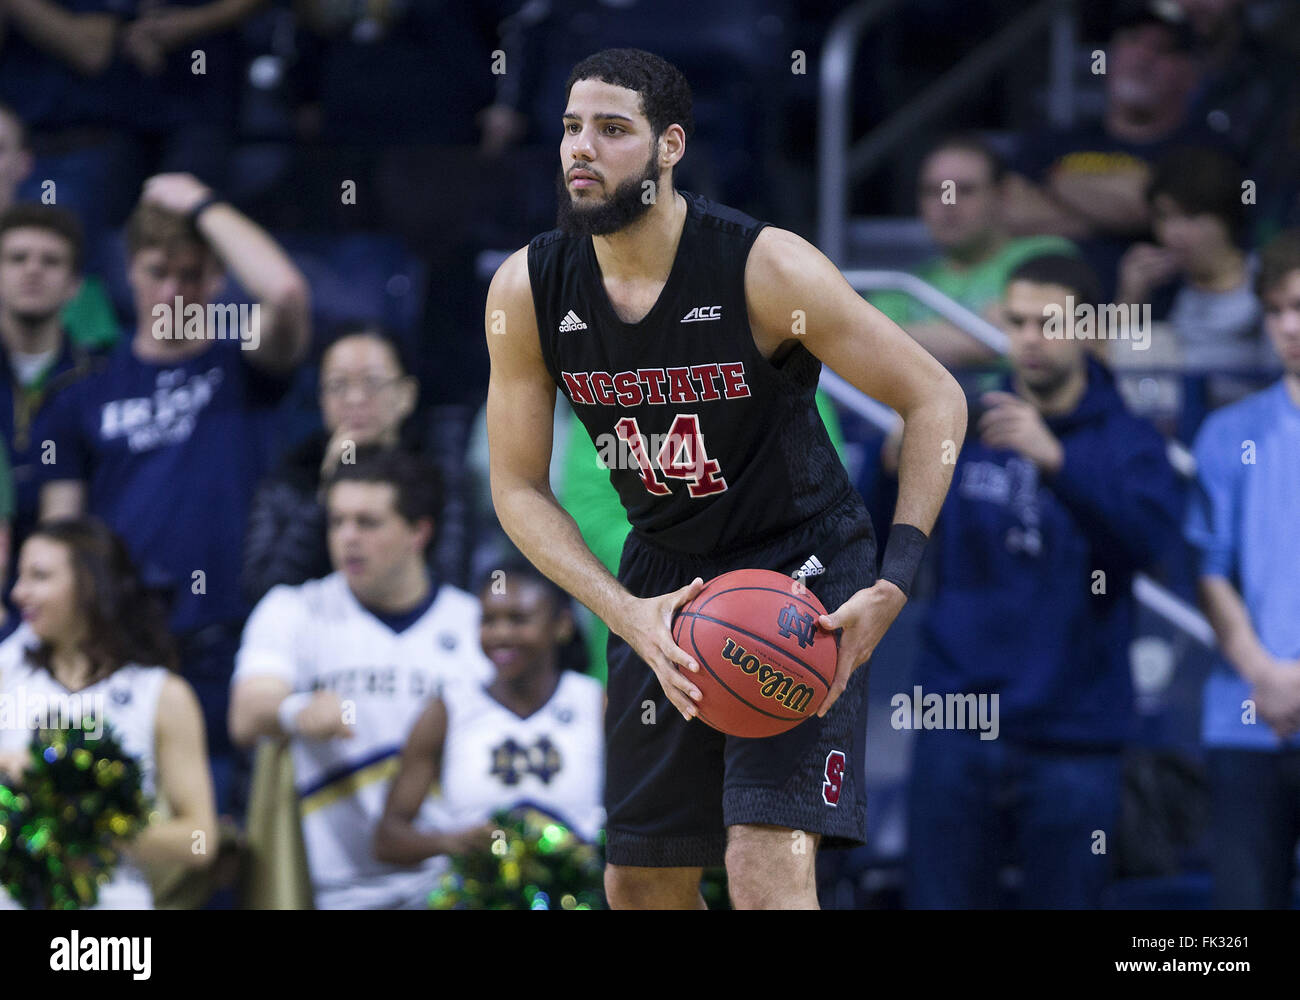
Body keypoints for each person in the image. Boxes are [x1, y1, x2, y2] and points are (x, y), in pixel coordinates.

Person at [484, 48, 967, 910]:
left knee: (764, 858)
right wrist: (624, 612)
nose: (579, 150)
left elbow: (934, 400)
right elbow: (517, 488)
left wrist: (896, 580)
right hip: (665, 575)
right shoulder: (528, 287)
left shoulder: (764, 267)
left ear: (670, 147)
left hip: (801, 570)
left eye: (610, 129)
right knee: (637, 879)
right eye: (568, 128)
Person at [899, 253, 1182, 908]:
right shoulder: (960, 423)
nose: (1028, 337)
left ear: (1088, 328)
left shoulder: (1130, 440)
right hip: (958, 720)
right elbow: (889, 541)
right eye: (1017, 321)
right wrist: (893, 467)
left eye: (1048, 322)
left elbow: (1152, 546)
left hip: (1074, 734)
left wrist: (1058, 462)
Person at [37, 173, 311, 816]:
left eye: (191, 274)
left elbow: (287, 291)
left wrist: (203, 204)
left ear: (216, 279)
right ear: (129, 270)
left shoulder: (238, 365)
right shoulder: (84, 391)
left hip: (225, 637)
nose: (172, 290)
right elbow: (61, 534)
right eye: (157, 271)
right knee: (112, 829)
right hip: (119, 642)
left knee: (213, 840)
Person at [229, 447, 494, 909]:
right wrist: (296, 710)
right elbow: (246, 715)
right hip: (331, 892)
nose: (347, 538)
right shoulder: (294, 609)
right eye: (337, 522)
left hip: (451, 886)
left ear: (419, 531)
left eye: (368, 523)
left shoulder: (474, 625)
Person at [0, 517, 217, 909]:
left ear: (89, 585)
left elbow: (200, 840)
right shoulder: (5, 673)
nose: (18, 593)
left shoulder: (160, 693)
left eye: (39, 577)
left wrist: (89, 819)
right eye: (20, 576)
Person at [1184, 229, 1300, 909]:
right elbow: (1210, 569)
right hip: (1244, 713)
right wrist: (1263, 673)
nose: (1291, 325)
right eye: (1279, 309)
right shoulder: (1229, 433)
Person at [374, 559, 604, 876]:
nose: (501, 634)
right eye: (488, 620)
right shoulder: (447, 709)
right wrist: (451, 843)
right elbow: (387, 838)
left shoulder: (595, 702)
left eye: (518, 619)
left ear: (562, 625)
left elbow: (641, 816)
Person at [1003, 0, 1218, 296]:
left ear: (1190, 73)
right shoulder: (1054, 139)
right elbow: (1010, 212)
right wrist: (1115, 219)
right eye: (1130, 42)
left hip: (1153, 325)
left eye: (1163, 49)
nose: (1142, 58)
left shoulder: (1202, 147)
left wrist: (1056, 179)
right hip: (1047, 320)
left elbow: (1149, 205)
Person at [242, 323, 419, 604]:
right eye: (338, 385)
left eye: (372, 382)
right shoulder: (291, 475)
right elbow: (266, 591)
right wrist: (327, 490)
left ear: (406, 395)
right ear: (321, 400)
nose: (355, 399)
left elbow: (447, 578)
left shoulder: (436, 469)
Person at [869, 133, 1077, 369]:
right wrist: (979, 334)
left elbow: (1018, 334)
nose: (947, 204)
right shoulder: (898, 286)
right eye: (933, 191)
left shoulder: (1045, 256)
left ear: (1003, 194)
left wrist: (902, 338)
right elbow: (867, 346)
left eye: (965, 190)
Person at [1116, 146, 1268, 414]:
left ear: (1225, 219)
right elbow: (1119, 367)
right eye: (1163, 216)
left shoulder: (1264, 281)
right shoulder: (1160, 288)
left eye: (1190, 216)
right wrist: (1131, 297)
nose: (1173, 233)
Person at [0, 204, 104, 558]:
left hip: (65, 569)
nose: (33, 269)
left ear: (74, 286)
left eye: (51, 261)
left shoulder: (100, 380)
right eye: (17, 258)